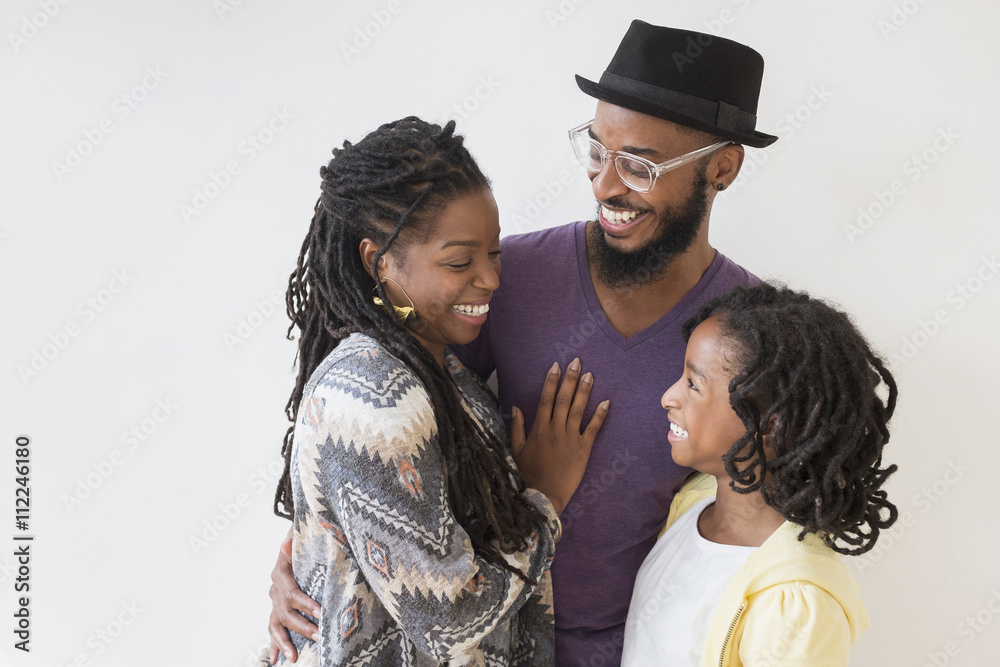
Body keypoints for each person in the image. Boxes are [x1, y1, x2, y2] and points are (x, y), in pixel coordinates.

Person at [269, 21, 779, 666]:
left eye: (640, 166)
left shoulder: (752, 332)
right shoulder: (503, 277)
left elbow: (772, 507)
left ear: (723, 167)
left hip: (643, 648)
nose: (605, 185)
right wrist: (309, 559)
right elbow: (384, 438)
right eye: (597, 152)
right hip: (484, 645)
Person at [267, 116, 608, 666]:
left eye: (493, 253)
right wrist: (544, 499)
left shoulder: (434, 365)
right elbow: (447, 619)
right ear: (377, 261)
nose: (491, 278)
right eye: (459, 261)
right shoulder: (373, 399)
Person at [622, 283, 898, 666]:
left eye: (693, 384)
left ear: (769, 424)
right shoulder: (690, 504)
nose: (668, 397)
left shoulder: (796, 602)